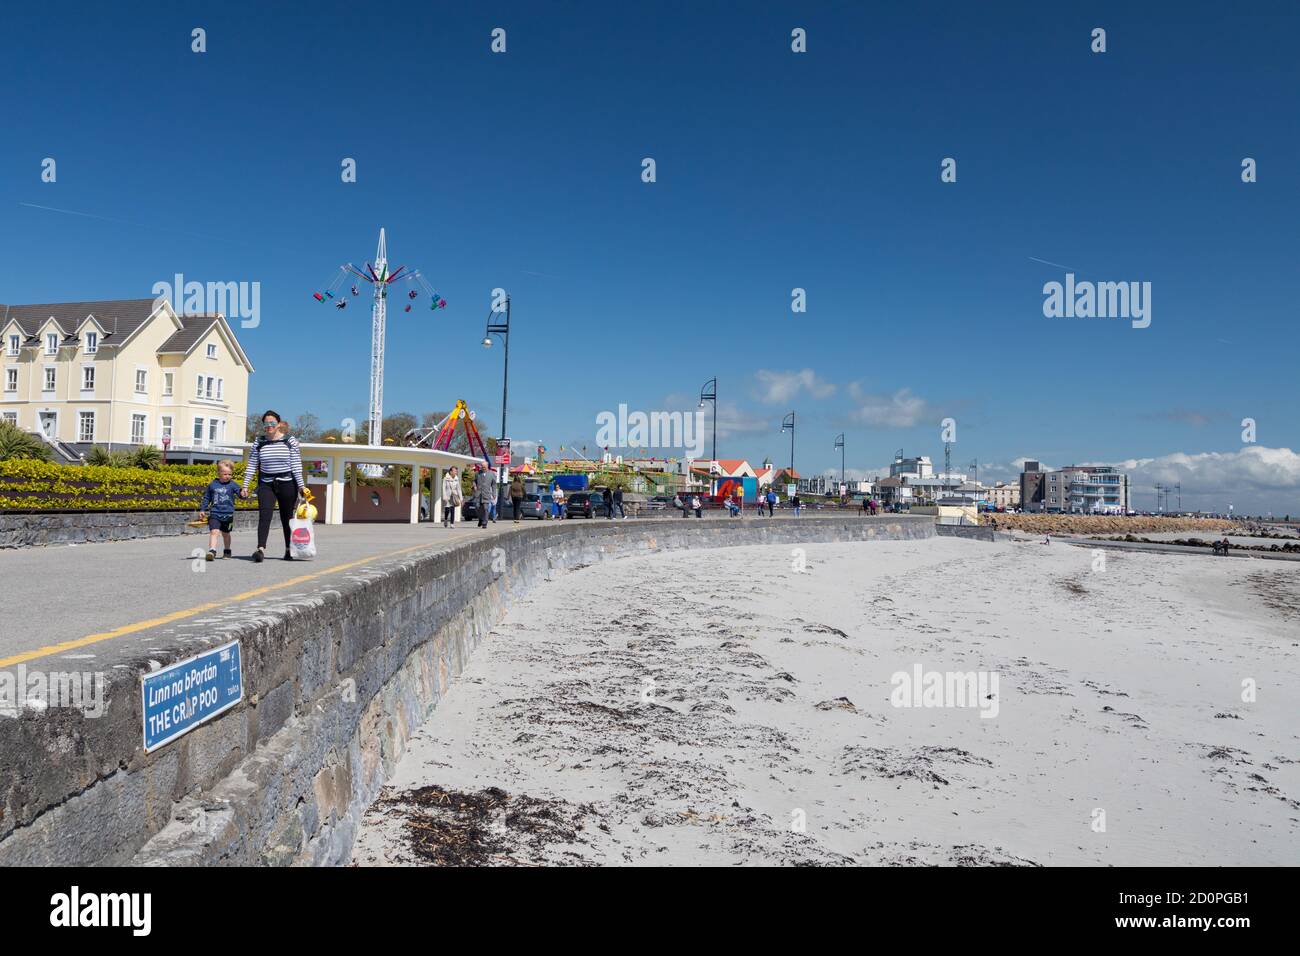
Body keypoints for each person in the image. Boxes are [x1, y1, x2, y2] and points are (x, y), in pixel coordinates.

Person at [241, 410, 306, 562]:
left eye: (272, 423)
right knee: (265, 515)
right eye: (266, 423)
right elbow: (252, 464)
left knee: (287, 517)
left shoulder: (290, 441)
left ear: (278, 424)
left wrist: (302, 486)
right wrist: (245, 486)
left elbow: (296, 465)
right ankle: (260, 549)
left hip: (287, 483)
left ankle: (289, 549)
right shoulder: (259, 442)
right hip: (266, 484)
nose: (269, 426)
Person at [199, 459, 239, 561]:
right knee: (214, 531)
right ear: (219, 473)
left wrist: (243, 494)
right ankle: (212, 551)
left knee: (226, 534)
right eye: (225, 474)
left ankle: (227, 550)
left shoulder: (233, 484)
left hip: (228, 514)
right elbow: (207, 498)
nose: (227, 476)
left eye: (230, 474)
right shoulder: (213, 484)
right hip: (215, 513)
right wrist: (203, 509)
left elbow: (240, 493)